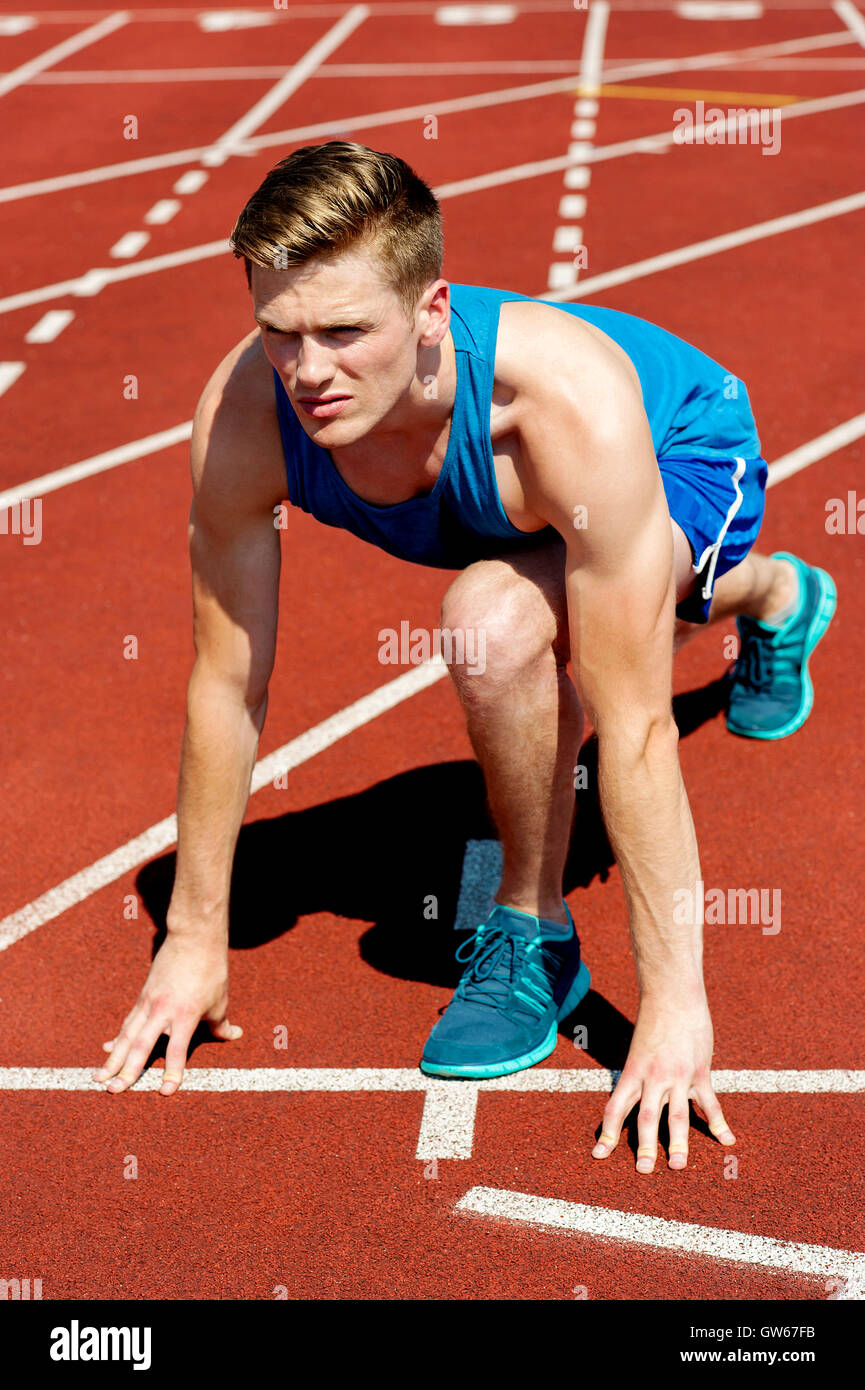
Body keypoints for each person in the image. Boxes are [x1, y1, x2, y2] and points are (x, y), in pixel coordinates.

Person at [95, 142, 835, 1177]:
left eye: (346, 332)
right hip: (492, 499)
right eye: (279, 333)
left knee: (496, 624)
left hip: (669, 445)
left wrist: (676, 1009)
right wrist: (193, 937)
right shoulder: (248, 415)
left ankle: (538, 916)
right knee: (510, 606)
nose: (309, 373)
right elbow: (227, 678)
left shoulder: (565, 407)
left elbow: (631, 723)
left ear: (432, 311)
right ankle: (739, 594)